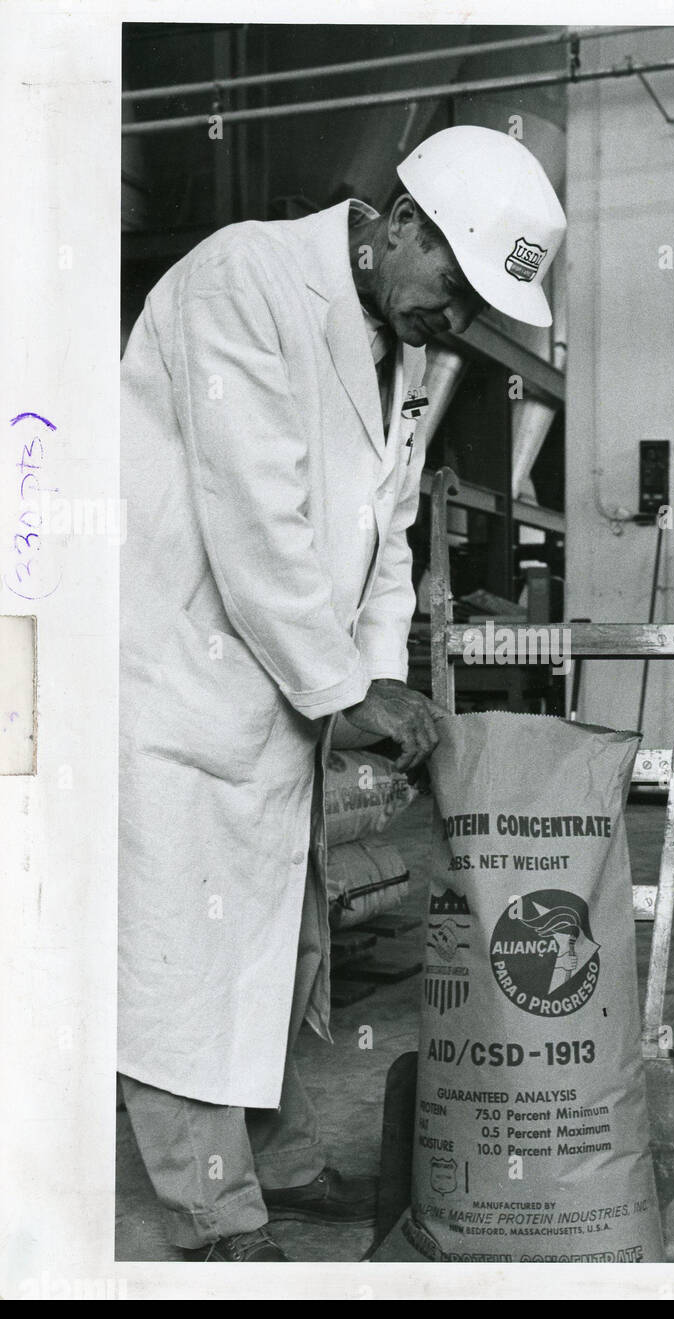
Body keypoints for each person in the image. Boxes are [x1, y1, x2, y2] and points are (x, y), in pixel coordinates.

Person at [118, 125, 566, 1258]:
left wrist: (372, 672)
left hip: (283, 695)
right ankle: (210, 1209)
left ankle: (259, 1151)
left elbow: (391, 536)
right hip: (184, 683)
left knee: (277, 940)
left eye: (471, 305)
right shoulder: (243, 280)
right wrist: (340, 687)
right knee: (184, 945)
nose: (450, 318)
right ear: (400, 223)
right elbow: (252, 519)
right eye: (449, 284)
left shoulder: (403, 353)